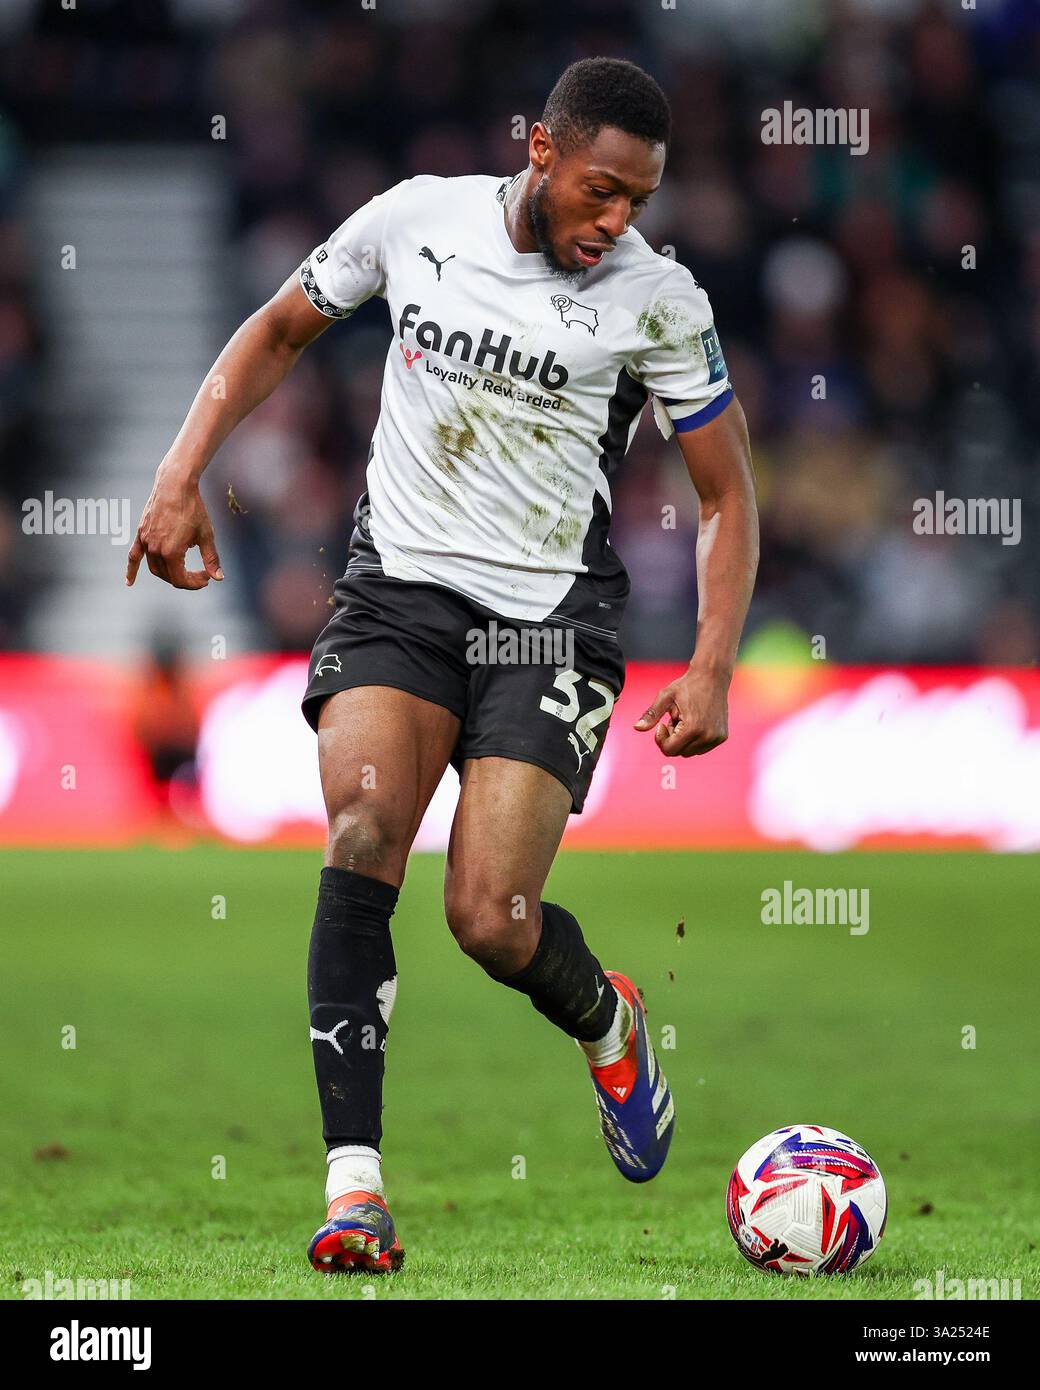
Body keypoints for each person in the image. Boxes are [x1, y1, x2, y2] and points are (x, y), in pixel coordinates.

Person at [127, 57, 759, 1274]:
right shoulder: (414, 220)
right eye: (598, 189)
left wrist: (713, 665)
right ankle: (353, 1188)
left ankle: (607, 1015)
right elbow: (275, 331)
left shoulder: (658, 301)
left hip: (548, 624)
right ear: (539, 149)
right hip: (398, 596)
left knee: (489, 916)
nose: (615, 219)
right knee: (361, 830)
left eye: (637, 199)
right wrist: (178, 469)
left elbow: (725, 493)